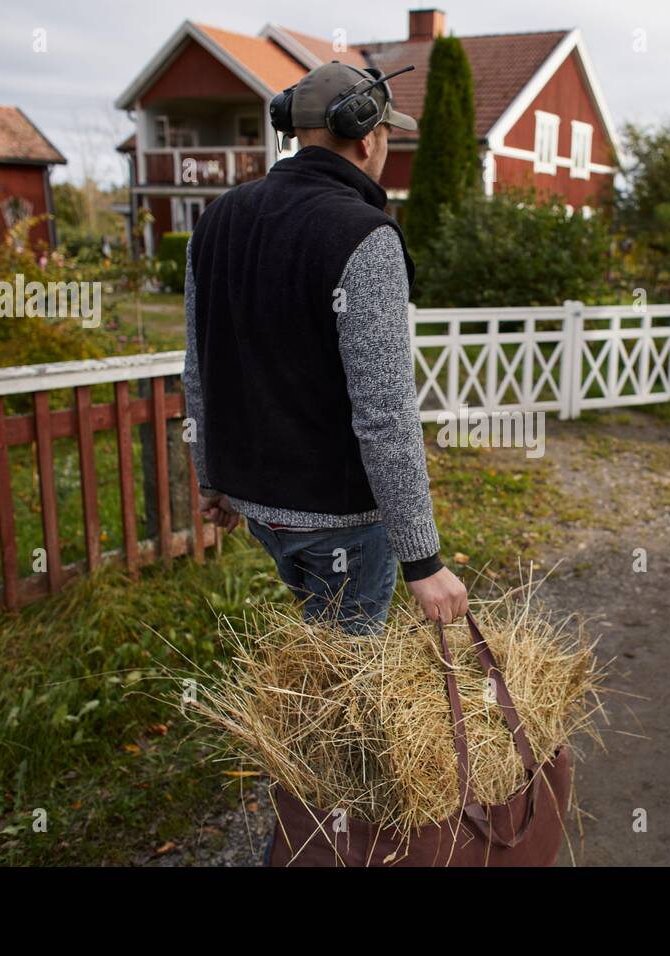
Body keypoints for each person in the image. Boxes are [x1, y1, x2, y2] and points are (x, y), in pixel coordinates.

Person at [182, 61, 468, 633]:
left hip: (257, 502)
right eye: (388, 134)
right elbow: (384, 411)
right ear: (367, 137)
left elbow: (198, 366)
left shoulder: (217, 219)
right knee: (349, 691)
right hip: (338, 519)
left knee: (320, 661)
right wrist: (423, 560)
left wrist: (211, 478)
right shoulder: (363, 234)